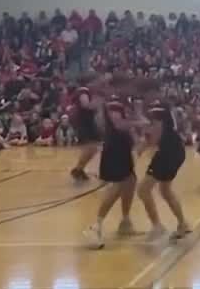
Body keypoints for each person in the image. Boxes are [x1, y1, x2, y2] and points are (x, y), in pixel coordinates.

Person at [82, 78, 151, 249]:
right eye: (129, 85)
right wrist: (139, 123)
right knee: (118, 186)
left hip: (123, 147)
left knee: (130, 182)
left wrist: (138, 112)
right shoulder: (113, 102)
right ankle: (95, 225)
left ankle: (125, 223)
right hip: (114, 149)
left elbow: (132, 123)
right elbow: (119, 124)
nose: (132, 89)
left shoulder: (125, 102)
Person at [137, 99, 191, 243]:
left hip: (167, 153)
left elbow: (156, 136)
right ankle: (183, 224)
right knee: (165, 190)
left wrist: (145, 143)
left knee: (143, 190)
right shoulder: (164, 107)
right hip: (177, 152)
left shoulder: (157, 110)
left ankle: (157, 226)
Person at [69, 74, 102, 182]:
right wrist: (98, 101)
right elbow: (85, 105)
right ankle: (78, 169)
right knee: (90, 147)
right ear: (90, 82)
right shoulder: (83, 90)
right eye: (95, 82)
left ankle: (79, 169)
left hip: (88, 122)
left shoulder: (88, 91)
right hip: (84, 123)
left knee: (94, 147)